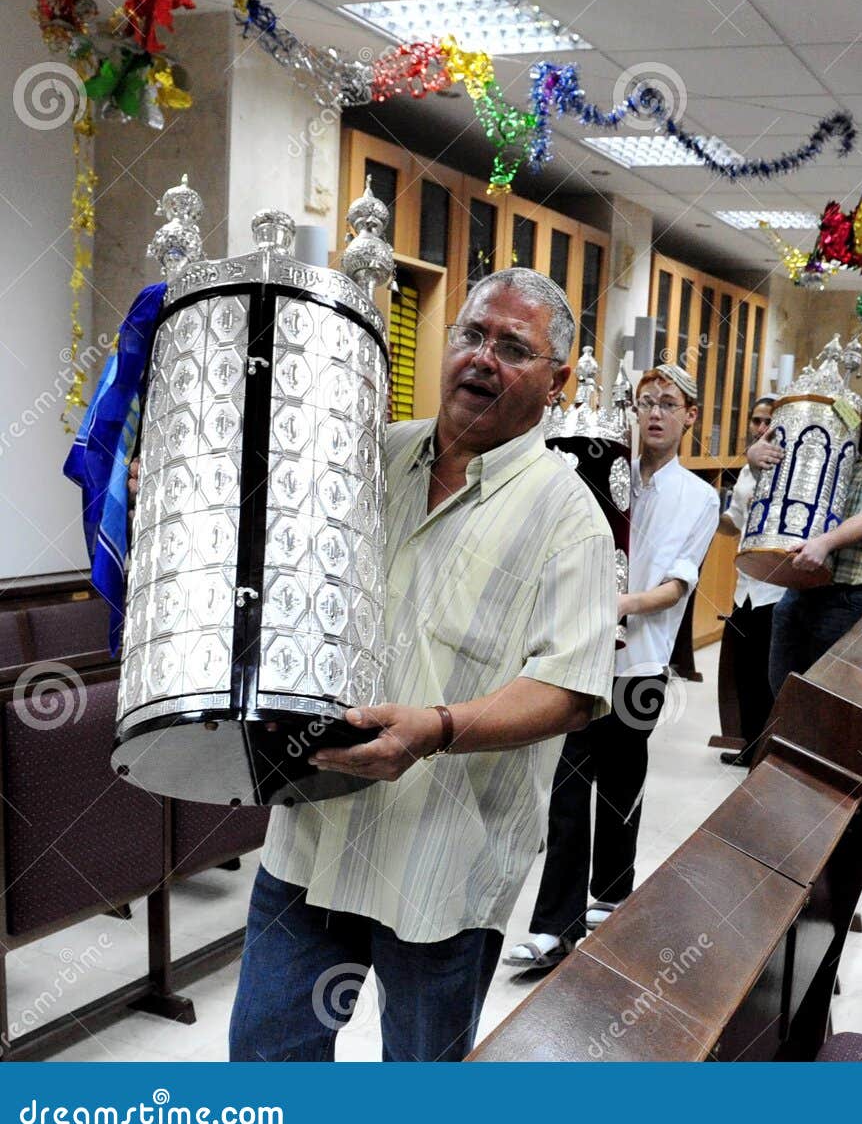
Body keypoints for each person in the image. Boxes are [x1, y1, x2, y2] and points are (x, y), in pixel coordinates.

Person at [218, 268, 617, 1061]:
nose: (482, 358)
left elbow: (571, 689)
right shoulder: (376, 459)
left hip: (444, 860)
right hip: (315, 825)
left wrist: (435, 729)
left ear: (558, 381)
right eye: (471, 334)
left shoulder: (569, 517)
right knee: (266, 1058)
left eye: (514, 348)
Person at [509, 364, 719, 970]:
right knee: (568, 787)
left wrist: (612, 603)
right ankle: (554, 924)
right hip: (582, 658)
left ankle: (611, 901)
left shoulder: (699, 498)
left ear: (689, 417)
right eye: (644, 402)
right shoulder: (598, 474)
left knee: (621, 784)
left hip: (641, 662)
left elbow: (676, 586)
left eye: (667, 405)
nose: (654, 413)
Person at [752, 367, 862, 697]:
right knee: (784, 692)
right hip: (800, 586)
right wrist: (754, 457)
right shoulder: (842, 436)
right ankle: (780, 745)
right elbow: (789, 471)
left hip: (851, 600)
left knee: (826, 701)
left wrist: (825, 542)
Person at [717, 396, 784, 767]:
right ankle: (749, 745)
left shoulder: (786, 463)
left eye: (768, 422)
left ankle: (768, 753)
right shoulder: (748, 466)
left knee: (768, 672)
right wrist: (711, 513)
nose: (761, 429)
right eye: (757, 421)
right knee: (744, 670)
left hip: (775, 585)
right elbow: (735, 522)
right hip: (745, 584)